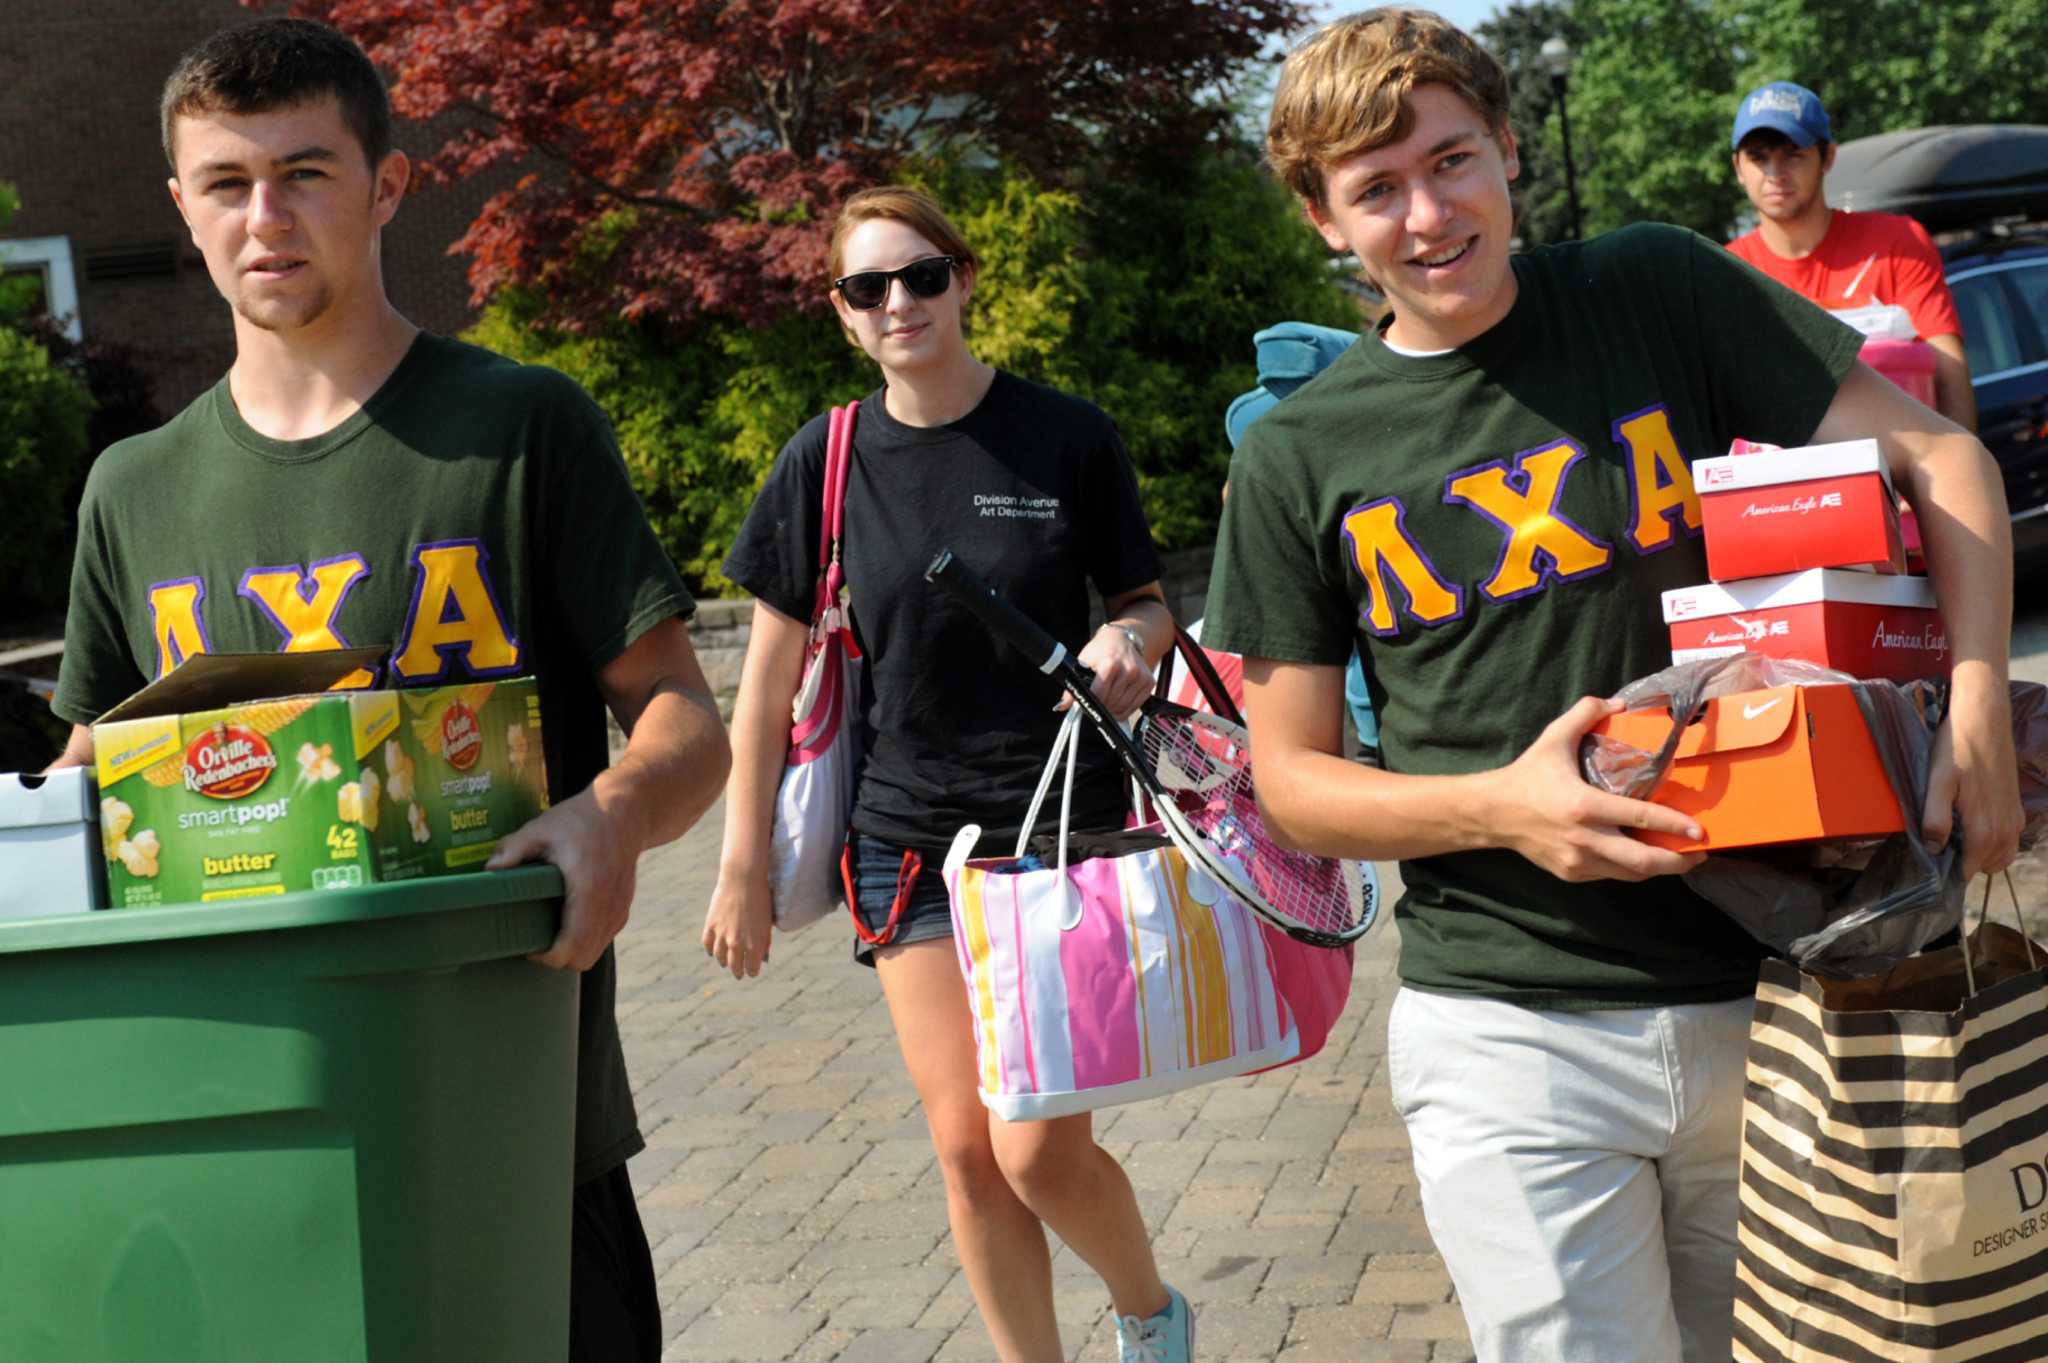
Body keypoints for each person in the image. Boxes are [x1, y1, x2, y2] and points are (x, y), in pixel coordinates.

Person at [1203, 11, 2022, 1363]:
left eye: (1450, 160)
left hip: (1784, 994)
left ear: (1507, 146)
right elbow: (1289, 783)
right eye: (1377, 188)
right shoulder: (1298, 454)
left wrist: (1978, 693)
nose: (1429, 215)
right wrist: (1501, 808)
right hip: (1510, 1025)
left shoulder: (1654, 290)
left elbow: (1943, 459)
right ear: (1320, 218)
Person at [46, 18, 730, 1360]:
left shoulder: (520, 427)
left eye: (304, 172)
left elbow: (684, 717)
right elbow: (89, 779)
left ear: (387, 187)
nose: (265, 217)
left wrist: (613, 813)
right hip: (235, 1141)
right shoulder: (132, 490)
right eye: (227, 183)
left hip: (513, 1122)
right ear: (181, 207)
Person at [701, 187, 1194, 1363]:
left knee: (1036, 1148)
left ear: (963, 279)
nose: (898, 302)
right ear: (842, 312)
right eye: (867, 286)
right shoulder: (824, 460)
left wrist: (1127, 639)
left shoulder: (1063, 436)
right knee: (968, 1151)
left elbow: (1146, 602)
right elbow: (764, 684)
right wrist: (738, 866)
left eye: (921, 275)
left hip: (1057, 833)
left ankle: (1149, 1312)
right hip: (905, 840)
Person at [1726, 81, 1977, 430]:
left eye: (1793, 153)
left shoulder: (1897, 242)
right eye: (1758, 157)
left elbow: (1948, 369)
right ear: (1738, 167)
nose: (1774, 173)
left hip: (1899, 454)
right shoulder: (1727, 271)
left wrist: (1956, 455)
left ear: (1827, 157)